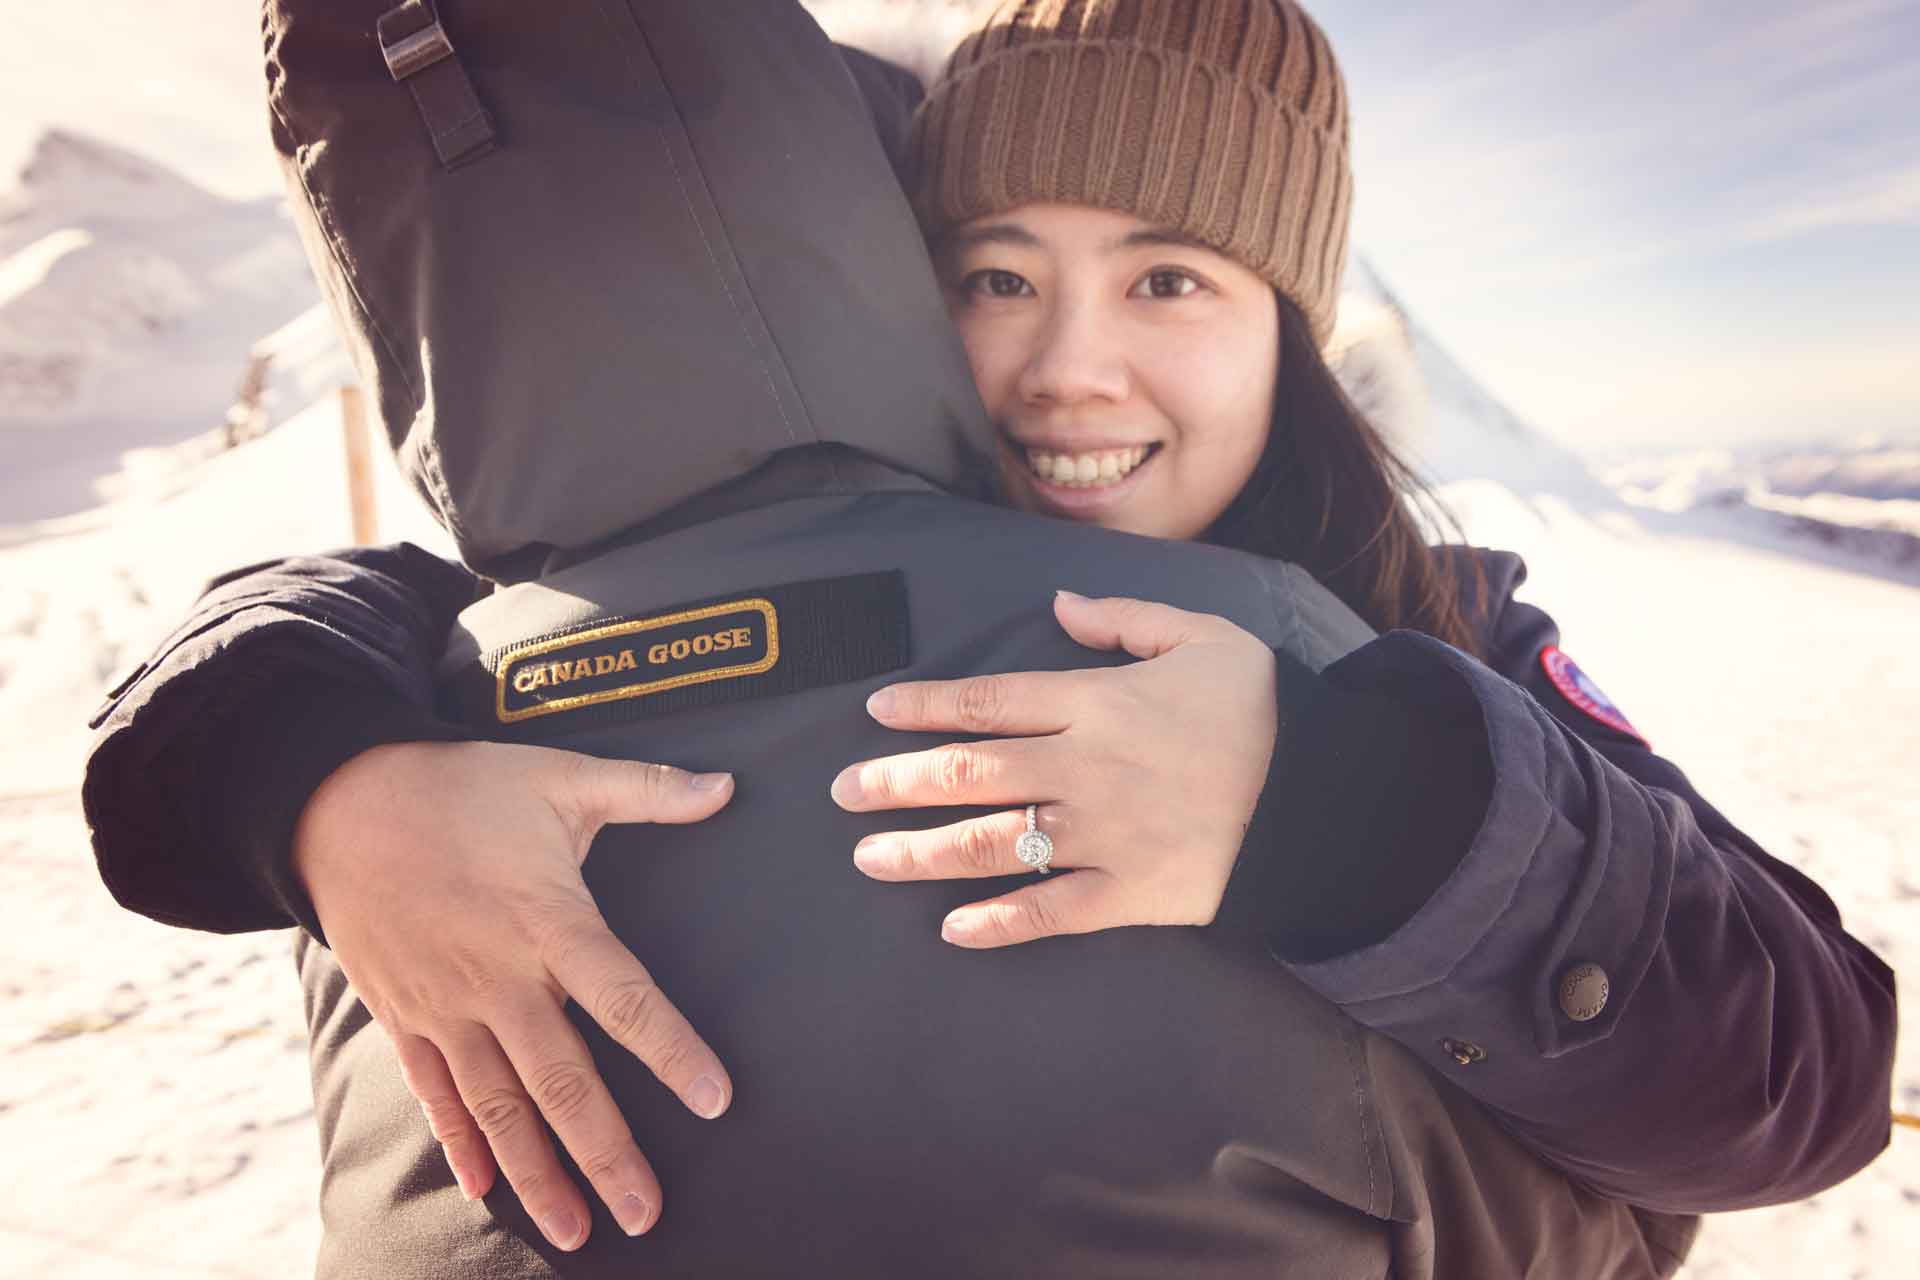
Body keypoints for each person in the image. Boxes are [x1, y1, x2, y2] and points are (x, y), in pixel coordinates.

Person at [82, 0, 1893, 1274]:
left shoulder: (1453, 626)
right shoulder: (703, 576)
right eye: (996, 275)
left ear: (1293, 326)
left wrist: (1352, 803)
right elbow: (267, 652)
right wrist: (327, 786)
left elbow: (1806, 1082)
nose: (1066, 367)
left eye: (1169, 279)